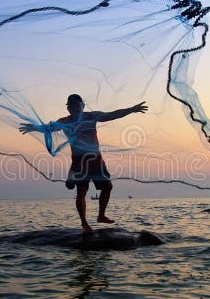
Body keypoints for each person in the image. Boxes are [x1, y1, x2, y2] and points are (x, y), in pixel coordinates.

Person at [20, 94, 148, 234]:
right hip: (79, 161)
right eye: (71, 106)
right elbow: (49, 128)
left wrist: (132, 109)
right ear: (68, 108)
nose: (74, 108)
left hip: (96, 159)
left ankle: (101, 216)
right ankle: (84, 223)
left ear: (82, 106)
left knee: (108, 186)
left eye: (77, 105)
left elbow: (111, 115)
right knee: (81, 191)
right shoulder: (64, 121)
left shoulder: (91, 116)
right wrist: (34, 127)